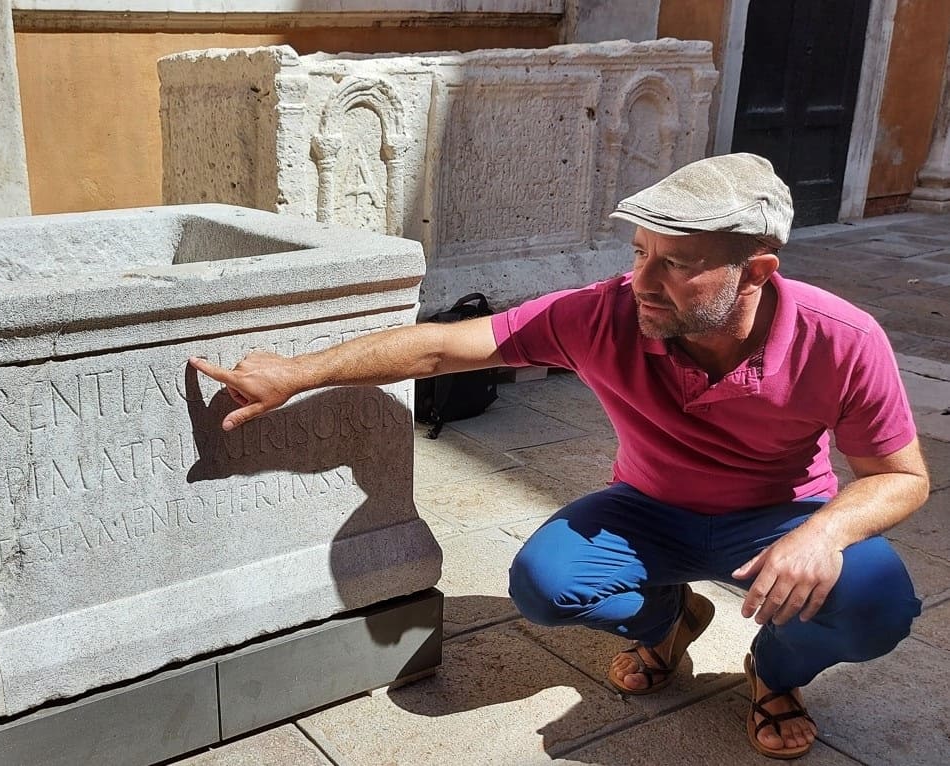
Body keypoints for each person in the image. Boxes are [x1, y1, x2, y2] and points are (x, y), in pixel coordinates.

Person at [189, 153, 928, 760]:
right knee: (544, 585)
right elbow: (443, 348)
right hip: (649, 509)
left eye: (677, 264)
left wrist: (823, 533)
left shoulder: (842, 339)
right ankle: (666, 621)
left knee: (880, 604)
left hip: (781, 516)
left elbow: (900, 477)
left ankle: (774, 669)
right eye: (640, 253)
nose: (643, 282)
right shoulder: (604, 313)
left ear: (757, 272)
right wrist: (299, 373)